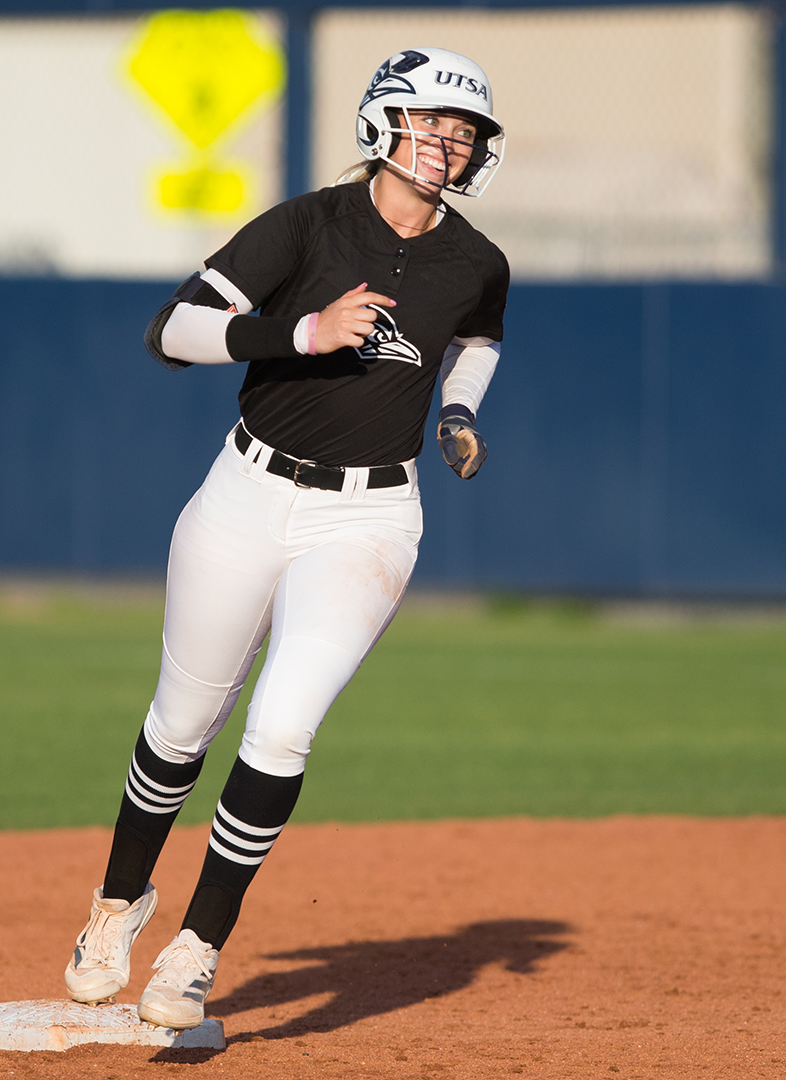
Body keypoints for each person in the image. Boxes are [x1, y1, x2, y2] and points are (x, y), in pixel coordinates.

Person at [61, 47, 509, 1030]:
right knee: (182, 727)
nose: (449, 144)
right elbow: (173, 329)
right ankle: (115, 905)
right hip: (247, 493)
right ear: (382, 121)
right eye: (433, 123)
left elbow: (478, 333)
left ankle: (198, 945)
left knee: (283, 727)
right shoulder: (307, 223)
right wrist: (299, 335)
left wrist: (457, 413)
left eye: (464, 132)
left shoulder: (476, 259)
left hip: (372, 515)